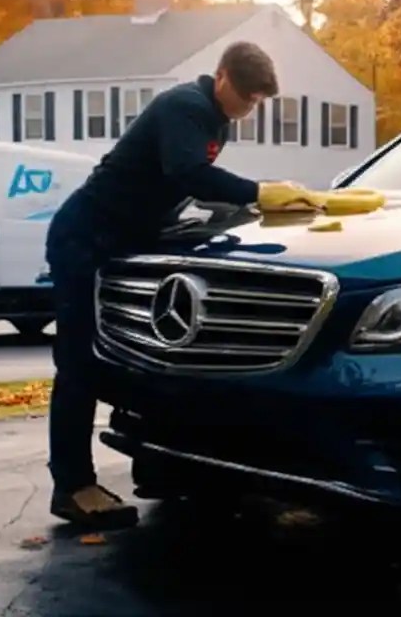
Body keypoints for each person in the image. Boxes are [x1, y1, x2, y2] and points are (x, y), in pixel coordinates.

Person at [43, 41, 306, 529]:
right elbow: (188, 173)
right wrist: (259, 192)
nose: (248, 110)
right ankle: (73, 486)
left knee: (143, 361)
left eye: (256, 103)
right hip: (85, 236)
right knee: (78, 363)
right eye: (245, 97)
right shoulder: (185, 105)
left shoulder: (215, 119)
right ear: (222, 76)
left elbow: (181, 186)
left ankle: (162, 465)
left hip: (126, 241)